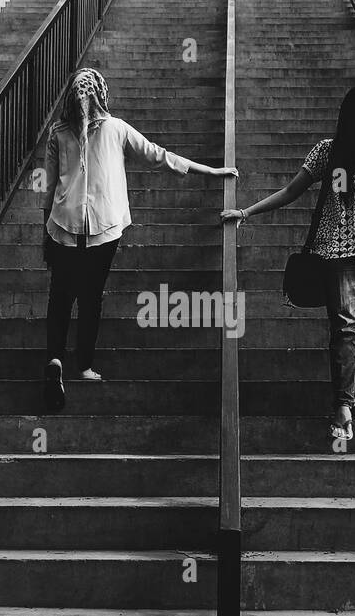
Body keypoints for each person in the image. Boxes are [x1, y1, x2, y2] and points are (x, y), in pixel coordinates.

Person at [41, 67, 237, 411]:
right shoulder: (116, 129)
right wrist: (211, 170)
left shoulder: (58, 133)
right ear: (102, 94)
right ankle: (84, 365)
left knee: (60, 295)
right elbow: (158, 155)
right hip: (105, 227)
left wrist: (46, 228)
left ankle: (54, 359)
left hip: (64, 224)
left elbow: (50, 185)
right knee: (91, 296)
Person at [222, 83, 355, 441]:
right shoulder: (328, 152)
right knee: (345, 326)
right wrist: (246, 212)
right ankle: (342, 406)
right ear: (348, 122)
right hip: (337, 250)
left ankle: (349, 397)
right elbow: (292, 191)